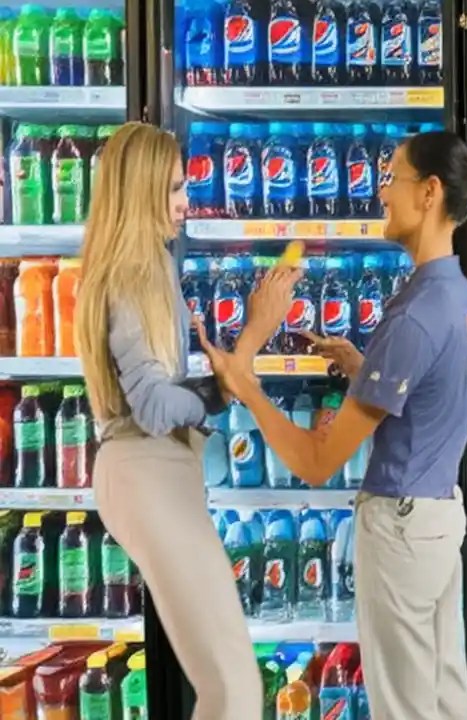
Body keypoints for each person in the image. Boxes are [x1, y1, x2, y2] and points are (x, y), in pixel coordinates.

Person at [201, 131, 467, 720]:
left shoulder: (413, 314)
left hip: (400, 529)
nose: (381, 190)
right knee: (445, 700)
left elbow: (317, 462)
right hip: (440, 520)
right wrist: (366, 370)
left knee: (404, 709)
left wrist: (246, 384)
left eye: (392, 178)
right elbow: (437, 400)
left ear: (430, 193)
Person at [75, 122, 275, 718]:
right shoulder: (137, 274)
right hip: (146, 470)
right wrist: (220, 389)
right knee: (233, 685)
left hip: (150, 473)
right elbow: (157, 407)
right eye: (174, 189)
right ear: (140, 195)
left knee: (228, 680)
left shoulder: (134, 267)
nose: (186, 202)